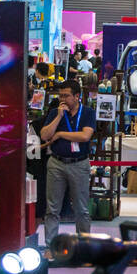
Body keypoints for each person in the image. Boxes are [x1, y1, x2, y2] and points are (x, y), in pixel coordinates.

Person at [40, 79, 96, 247]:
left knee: (81, 210)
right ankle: (50, 246)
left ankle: (84, 247)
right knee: (52, 209)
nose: (62, 99)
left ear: (77, 96)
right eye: (60, 95)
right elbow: (44, 135)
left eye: (66, 95)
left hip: (79, 164)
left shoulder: (87, 112)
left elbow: (85, 136)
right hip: (56, 163)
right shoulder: (55, 112)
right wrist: (58, 117)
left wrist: (60, 135)